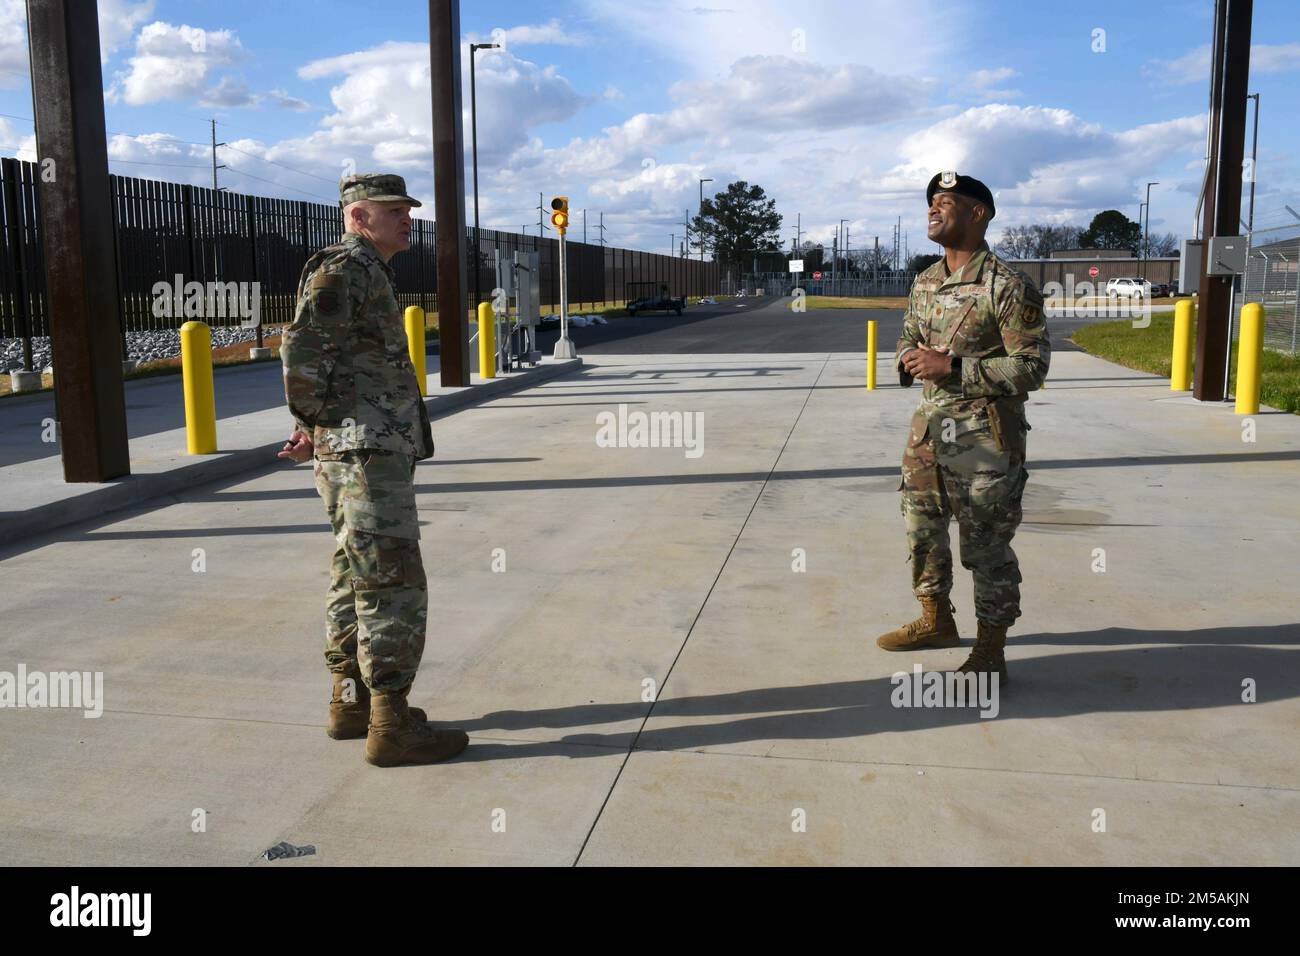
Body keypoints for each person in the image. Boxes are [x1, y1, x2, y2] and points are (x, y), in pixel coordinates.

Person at [278, 172, 467, 766]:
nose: (407, 218)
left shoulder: (367, 269)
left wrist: (316, 426)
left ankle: (351, 704)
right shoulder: (348, 267)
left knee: (353, 572)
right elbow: (303, 349)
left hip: (360, 443)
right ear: (359, 217)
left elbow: (331, 358)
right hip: (365, 451)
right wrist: (314, 419)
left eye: (407, 209)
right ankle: (391, 724)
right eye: (394, 210)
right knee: (391, 576)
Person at [875, 171, 1050, 683]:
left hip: (984, 441)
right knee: (922, 529)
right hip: (928, 432)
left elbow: (1032, 367)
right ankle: (935, 620)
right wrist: (909, 358)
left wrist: (953, 369)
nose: (933, 208)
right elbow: (908, 336)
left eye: (946, 202)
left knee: (986, 545)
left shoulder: (1008, 285)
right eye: (931, 201)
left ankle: (991, 649)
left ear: (979, 214)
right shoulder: (926, 280)